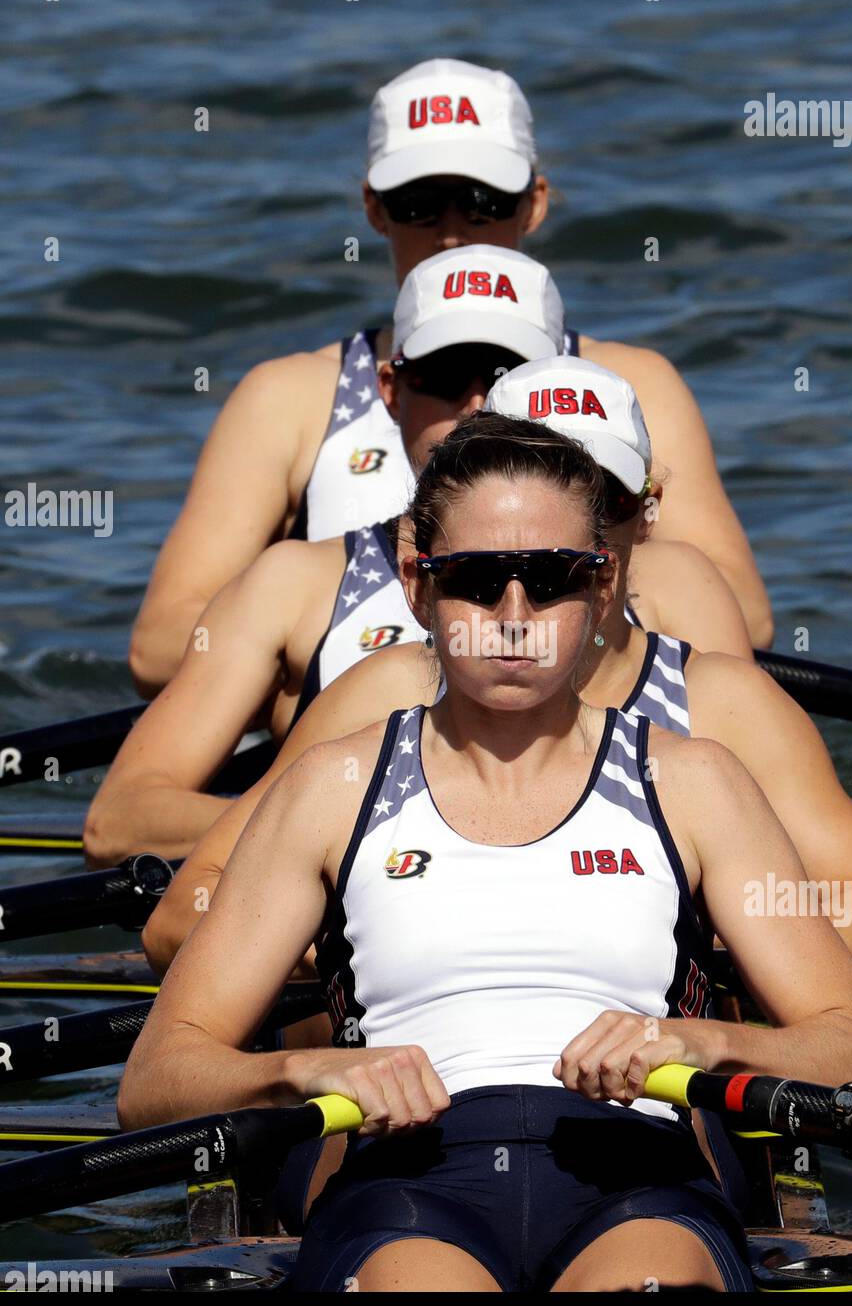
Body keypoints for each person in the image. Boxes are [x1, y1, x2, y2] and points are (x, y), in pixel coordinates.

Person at [119, 417, 852, 1294]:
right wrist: (306, 1068)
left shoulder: (697, 784)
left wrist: (699, 1040)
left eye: (555, 578)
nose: (515, 617)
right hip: (407, 1182)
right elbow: (156, 1078)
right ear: (418, 590)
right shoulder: (332, 786)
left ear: (603, 591)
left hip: (637, 1178)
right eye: (479, 581)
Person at [141, 395, 852, 977]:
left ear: (645, 516)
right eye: (501, 551)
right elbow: (188, 912)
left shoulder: (726, 705)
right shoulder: (382, 691)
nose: (552, 543)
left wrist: (683, 909)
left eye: (606, 505)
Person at [129, 58, 772, 698]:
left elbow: (742, 617)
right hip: (360, 720)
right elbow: (161, 649)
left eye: (483, 200)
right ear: (374, 211)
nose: (453, 233)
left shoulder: (637, 384)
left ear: (535, 204)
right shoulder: (285, 399)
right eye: (419, 204)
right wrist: (320, 650)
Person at [84, 265, 751, 866]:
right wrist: (335, 833)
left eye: (495, 378)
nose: (466, 403)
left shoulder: (679, 585)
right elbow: (119, 824)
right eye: (441, 375)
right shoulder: (303, 592)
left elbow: (763, 820)